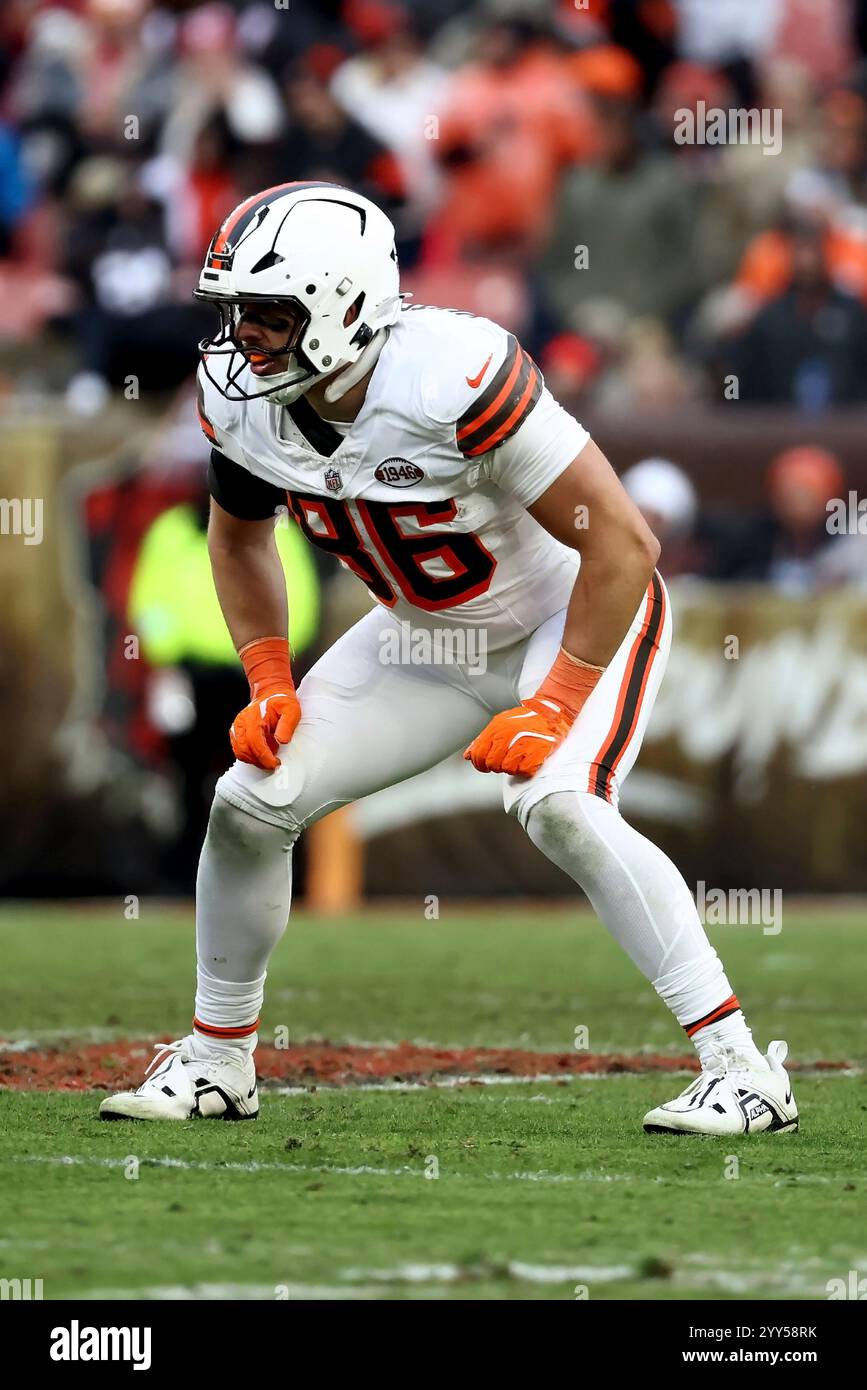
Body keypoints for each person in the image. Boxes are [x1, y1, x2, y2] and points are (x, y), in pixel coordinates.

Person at [99, 183, 797, 1136]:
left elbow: (623, 544)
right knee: (250, 798)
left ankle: (742, 1069)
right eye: (236, 314)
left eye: (268, 313)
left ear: (342, 305)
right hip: (425, 634)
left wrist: (554, 701)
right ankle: (220, 1060)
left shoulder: (453, 374)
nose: (244, 338)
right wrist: (266, 675)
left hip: (572, 614)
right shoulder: (243, 402)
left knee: (558, 807)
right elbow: (239, 539)